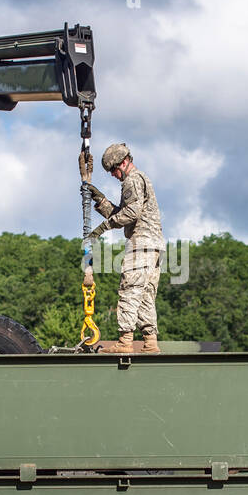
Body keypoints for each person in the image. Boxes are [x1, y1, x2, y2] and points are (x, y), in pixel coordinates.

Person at [86, 142, 164, 353]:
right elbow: (127, 212)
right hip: (153, 248)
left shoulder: (132, 180)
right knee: (145, 297)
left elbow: (131, 214)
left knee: (129, 291)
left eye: (113, 169)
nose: (113, 174)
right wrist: (101, 201)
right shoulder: (140, 179)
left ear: (124, 162)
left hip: (141, 246)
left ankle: (125, 342)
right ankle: (150, 343)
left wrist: (102, 227)